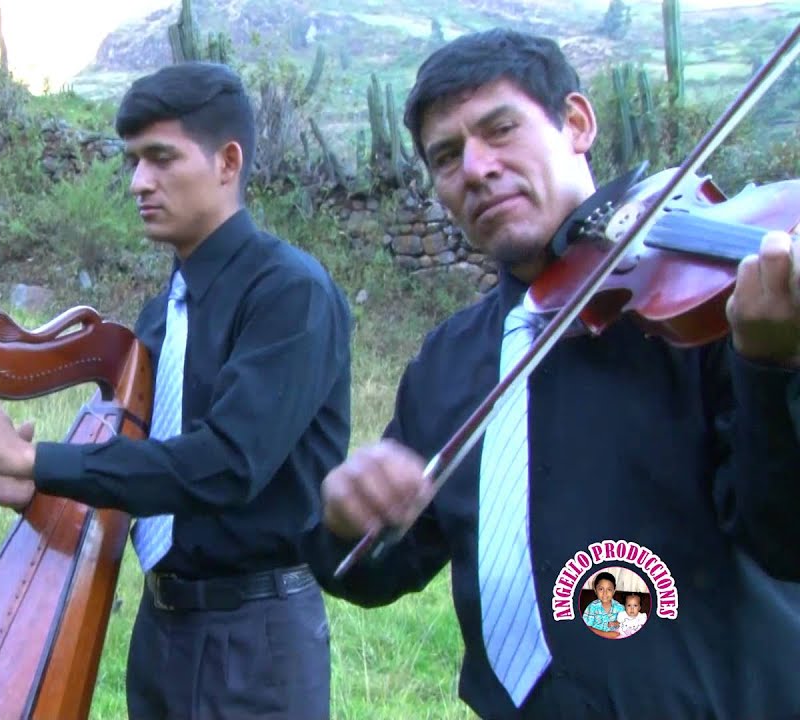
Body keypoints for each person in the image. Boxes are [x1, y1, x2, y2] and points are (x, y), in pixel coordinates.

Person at [306, 28, 800, 719]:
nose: (476, 168)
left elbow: (784, 541)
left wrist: (774, 367)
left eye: (500, 129)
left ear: (576, 123)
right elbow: (376, 572)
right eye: (446, 156)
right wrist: (342, 518)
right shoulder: (450, 360)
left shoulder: (714, 311)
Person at [0, 61, 351, 720]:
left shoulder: (289, 293)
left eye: (161, 159)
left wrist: (33, 458)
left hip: (257, 642)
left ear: (228, 161)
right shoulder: (162, 310)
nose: (139, 181)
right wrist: (36, 490)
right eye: (133, 161)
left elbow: (224, 465)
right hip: (163, 629)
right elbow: (149, 476)